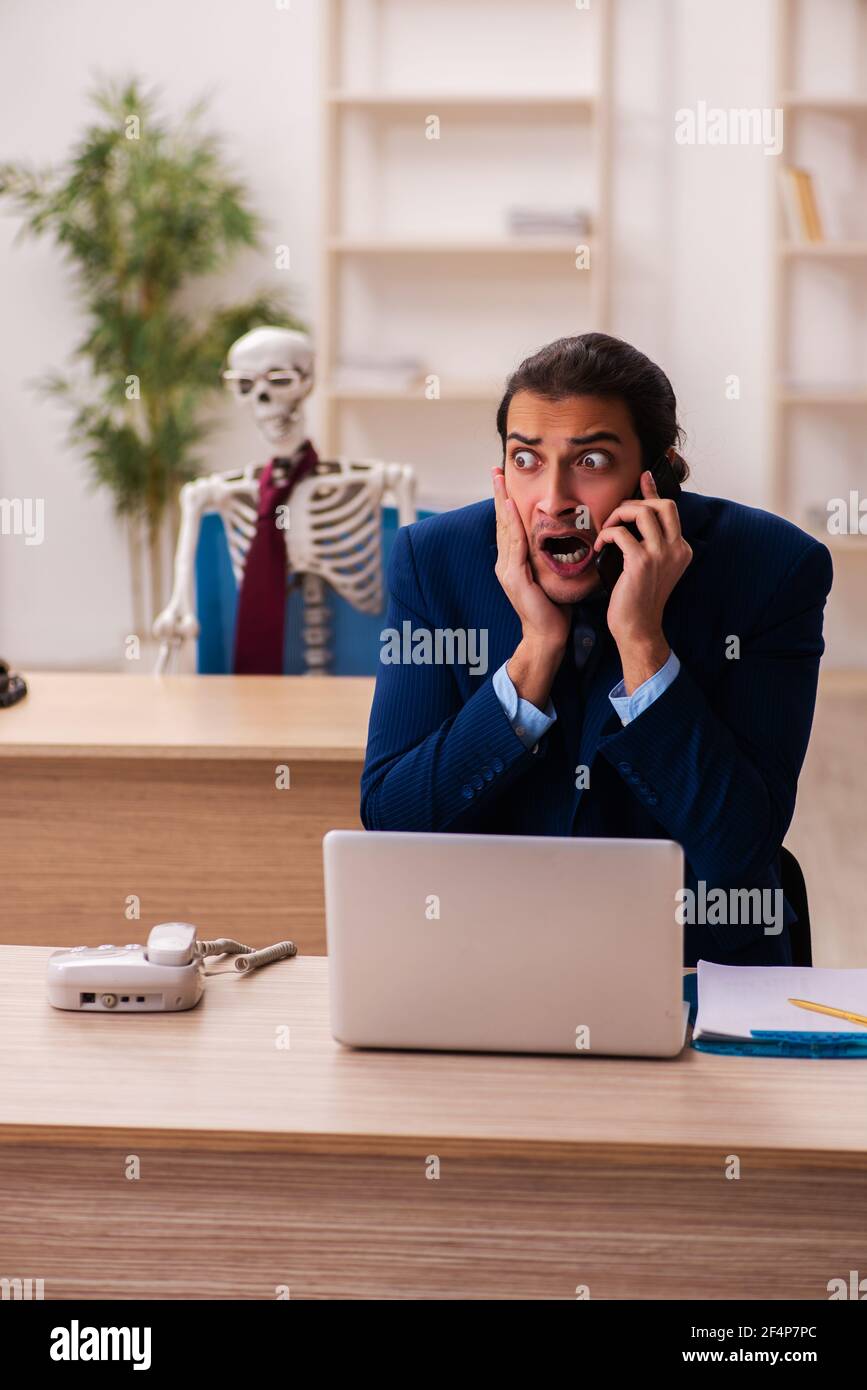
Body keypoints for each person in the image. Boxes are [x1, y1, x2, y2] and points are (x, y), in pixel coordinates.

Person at [360, 333, 833, 965]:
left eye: (591, 461)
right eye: (526, 460)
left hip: (694, 967)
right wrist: (536, 651)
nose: (554, 502)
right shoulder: (433, 560)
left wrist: (644, 644)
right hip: (486, 958)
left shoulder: (773, 569)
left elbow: (740, 849)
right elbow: (393, 820)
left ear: (657, 475)